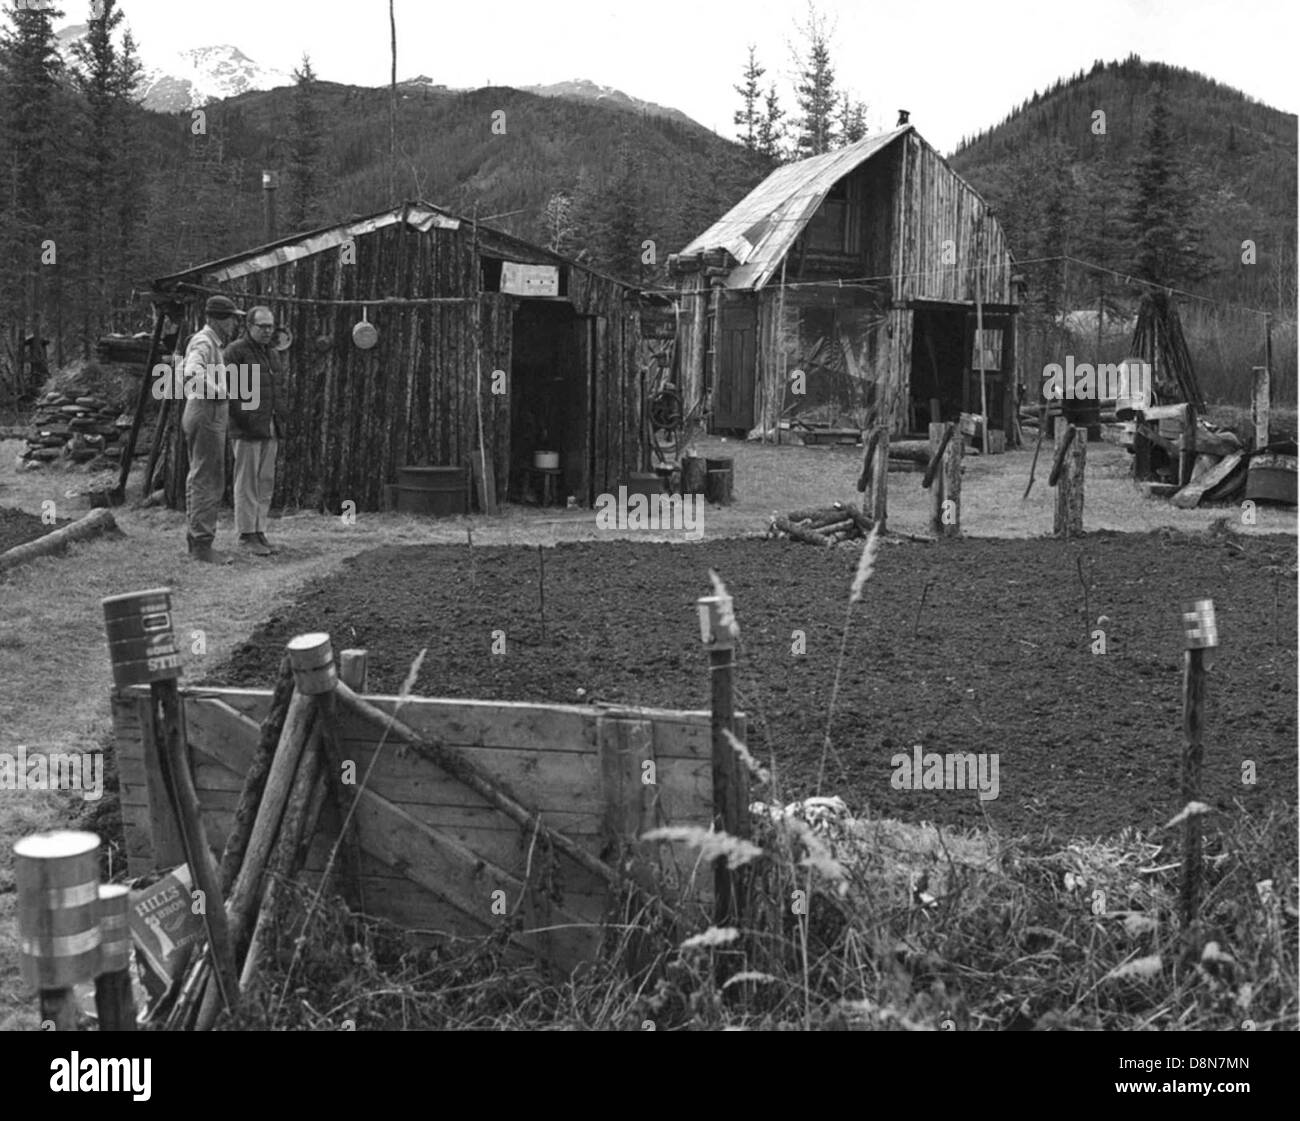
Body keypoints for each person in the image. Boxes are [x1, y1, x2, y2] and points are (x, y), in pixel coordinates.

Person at [181, 294, 244, 563]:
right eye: (229, 318)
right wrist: (218, 391)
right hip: (206, 409)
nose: (232, 323)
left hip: (207, 411)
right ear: (215, 319)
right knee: (207, 477)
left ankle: (197, 539)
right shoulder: (204, 341)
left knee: (203, 475)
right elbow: (191, 372)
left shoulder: (213, 344)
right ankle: (202, 544)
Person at [223, 305, 287, 555]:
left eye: (270, 326)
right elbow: (232, 392)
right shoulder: (236, 352)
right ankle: (246, 533)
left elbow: (277, 389)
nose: (267, 331)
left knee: (265, 481)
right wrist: (246, 421)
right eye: (262, 326)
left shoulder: (271, 354)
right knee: (246, 481)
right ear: (249, 326)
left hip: (270, 426)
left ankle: (260, 530)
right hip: (247, 428)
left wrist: (281, 415)